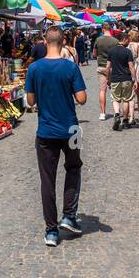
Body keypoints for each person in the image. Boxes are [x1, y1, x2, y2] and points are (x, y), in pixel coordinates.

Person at [26, 27, 88, 247]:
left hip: (45, 131)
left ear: (45, 41)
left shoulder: (34, 68)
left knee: (47, 179)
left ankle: (51, 231)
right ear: (64, 42)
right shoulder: (71, 67)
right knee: (74, 168)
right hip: (71, 129)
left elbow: (31, 102)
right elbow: (82, 98)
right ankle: (69, 215)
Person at [106, 31, 139, 131]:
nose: (129, 42)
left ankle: (116, 115)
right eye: (128, 40)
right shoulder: (127, 52)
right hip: (126, 78)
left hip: (115, 79)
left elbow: (107, 67)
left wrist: (108, 79)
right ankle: (125, 119)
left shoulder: (111, 51)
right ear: (124, 39)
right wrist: (135, 80)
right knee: (126, 99)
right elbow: (131, 67)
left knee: (115, 99)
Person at [93, 25, 119, 121]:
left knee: (102, 90)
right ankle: (116, 112)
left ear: (103, 29)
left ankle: (103, 113)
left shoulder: (98, 40)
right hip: (112, 67)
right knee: (114, 89)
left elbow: (94, 54)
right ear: (110, 29)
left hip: (101, 66)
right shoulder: (115, 41)